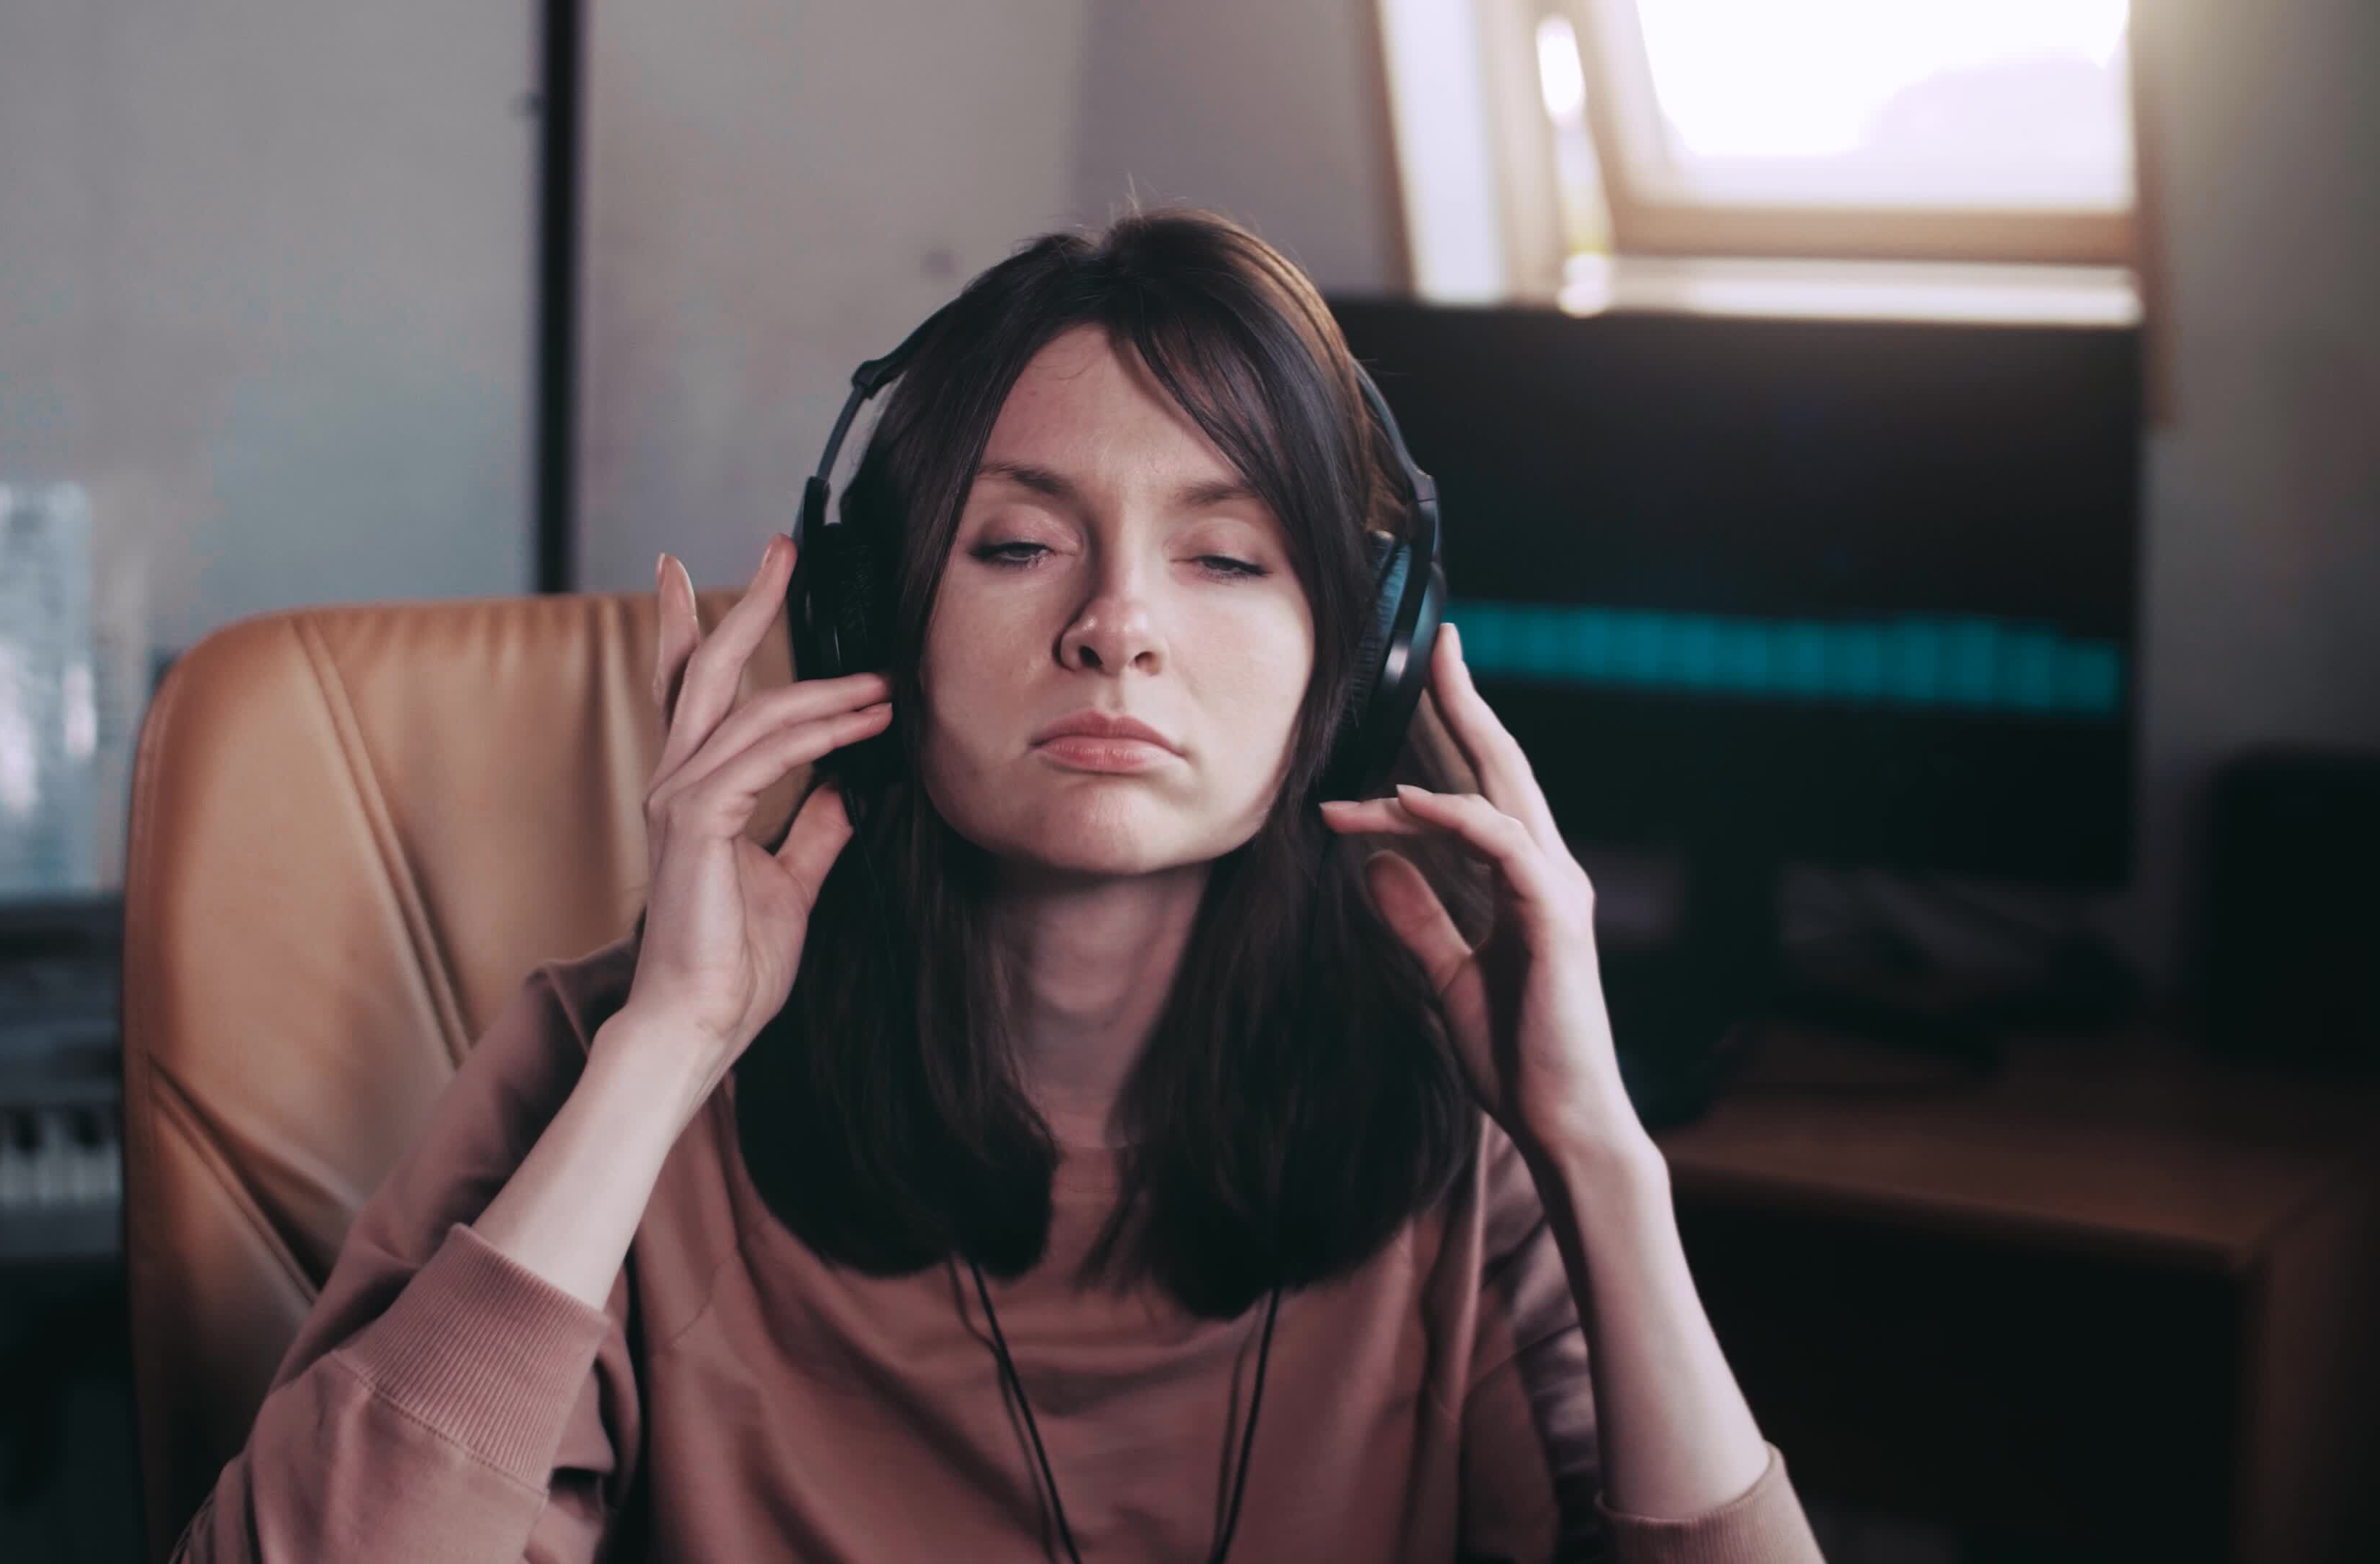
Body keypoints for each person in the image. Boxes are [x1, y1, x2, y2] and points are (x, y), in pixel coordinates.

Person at [176, 209, 1823, 1563]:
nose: (1120, 625)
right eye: (1021, 545)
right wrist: (668, 1052)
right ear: (871, 623)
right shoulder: (623, 1067)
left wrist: (1599, 1154)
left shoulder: (1463, 1115)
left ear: (1361, 663)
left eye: (1228, 556)